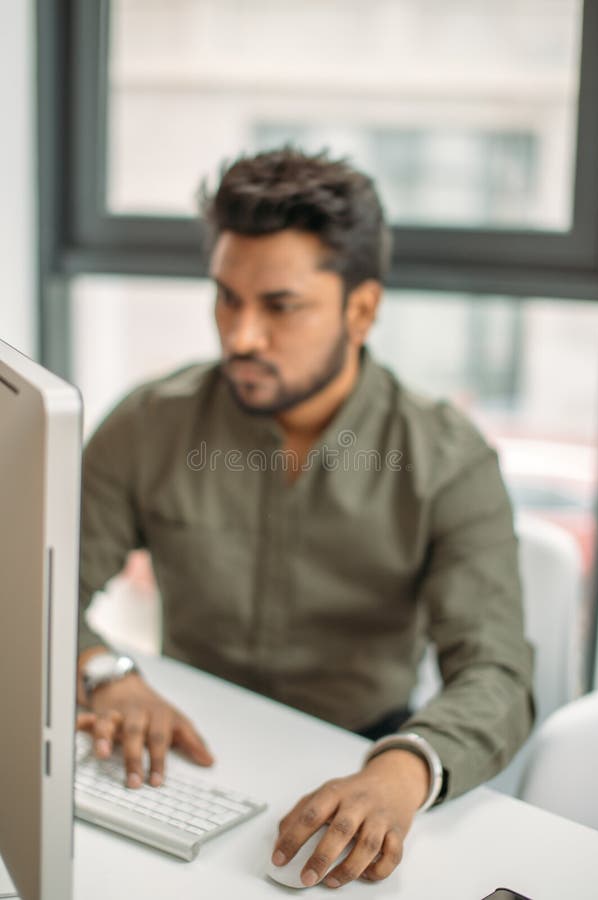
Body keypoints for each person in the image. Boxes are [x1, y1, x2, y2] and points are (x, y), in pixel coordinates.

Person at [76, 147, 534, 888]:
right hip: (179, 759)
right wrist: (104, 671)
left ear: (362, 309)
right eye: (226, 296)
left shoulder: (448, 458)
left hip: (362, 760)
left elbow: (497, 671)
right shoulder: (149, 424)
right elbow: (31, 585)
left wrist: (402, 772)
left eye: (279, 306)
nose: (241, 335)